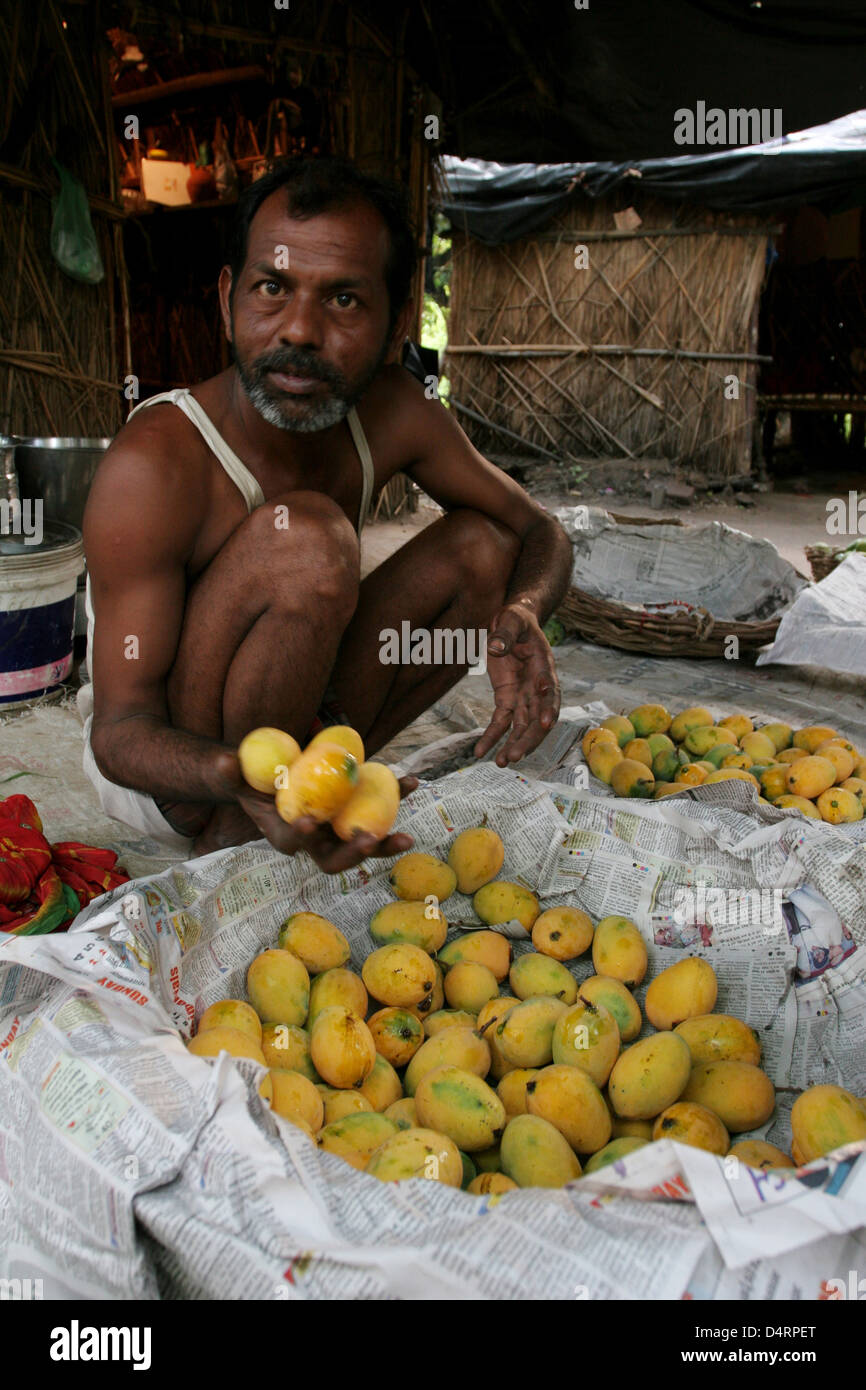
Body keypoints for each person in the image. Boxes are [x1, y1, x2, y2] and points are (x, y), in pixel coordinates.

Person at [79, 156, 573, 873]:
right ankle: (234, 844)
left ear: (398, 320)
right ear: (226, 300)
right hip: (177, 774)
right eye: (272, 289)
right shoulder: (156, 463)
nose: (300, 331)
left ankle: (315, 798)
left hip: (304, 720)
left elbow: (537, 530)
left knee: (484, 549)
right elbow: (120, 734)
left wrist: (524, 615)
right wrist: (236, 779)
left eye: (344, 300)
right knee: (306, 539)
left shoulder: (398, 409)